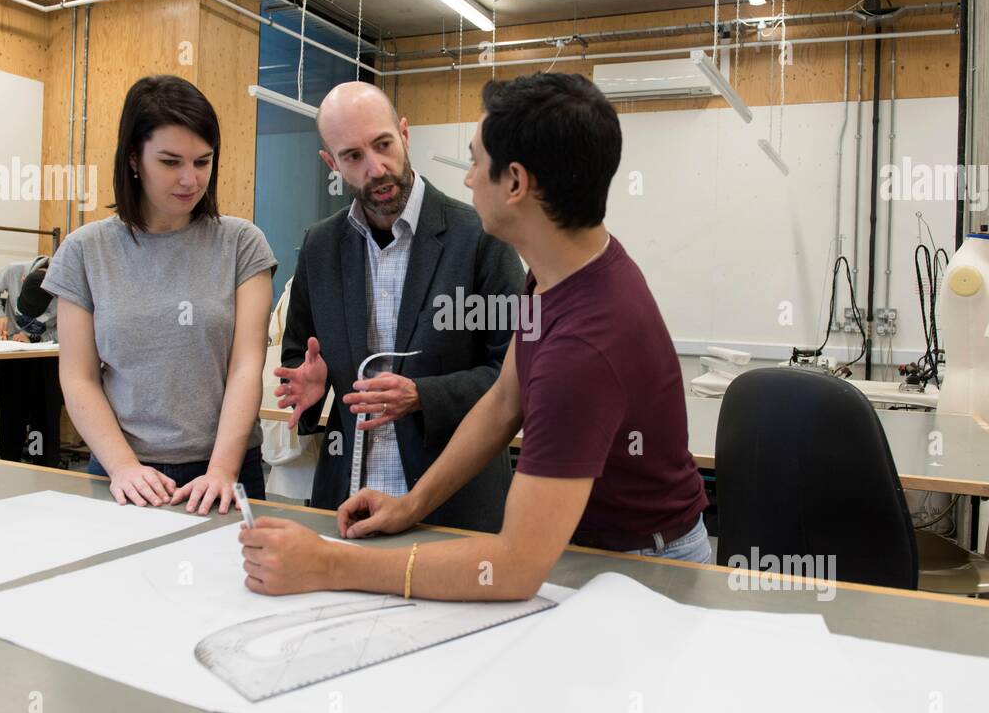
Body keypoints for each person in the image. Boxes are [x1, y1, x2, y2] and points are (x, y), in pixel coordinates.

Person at [240, 72, 709, 600]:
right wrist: (411, 505)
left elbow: (512, 566)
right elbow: (503, 400)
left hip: (640, 569)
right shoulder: (556, 274)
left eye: (474, 161)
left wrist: (328, 565)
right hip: (587, 549)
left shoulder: (581, 345)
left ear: (514, 183)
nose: (465, 180)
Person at [272, 81, 524, 530]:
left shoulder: (481, 237)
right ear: (332, 163)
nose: (376, 168)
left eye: (383, 144)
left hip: (450, 505)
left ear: (404, 135)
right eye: (352, 156)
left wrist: (421, 396)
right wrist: (312, 385)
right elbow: (299, 354)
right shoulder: (320, 247)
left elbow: (514, 373)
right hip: (345, 500)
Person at [43, 75, 275, 514]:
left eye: (203, 162)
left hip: (226, 470)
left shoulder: (242, 244)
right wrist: (124, 466)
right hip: (123, 472)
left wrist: (222, 470)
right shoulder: (84, 251)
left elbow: (247, 364)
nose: (190, 179)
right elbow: (78, 377)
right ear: (134, 158)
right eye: (170, 162)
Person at [0, 259, 62, 465]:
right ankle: (11, 463)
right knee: (12, 413)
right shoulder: (13, 271)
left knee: (43, 417)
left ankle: (42, 466)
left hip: (46, 357)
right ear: (23, 280)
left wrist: (35, 338)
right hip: (14, 356)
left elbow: (71, 327)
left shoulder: (65, 282)